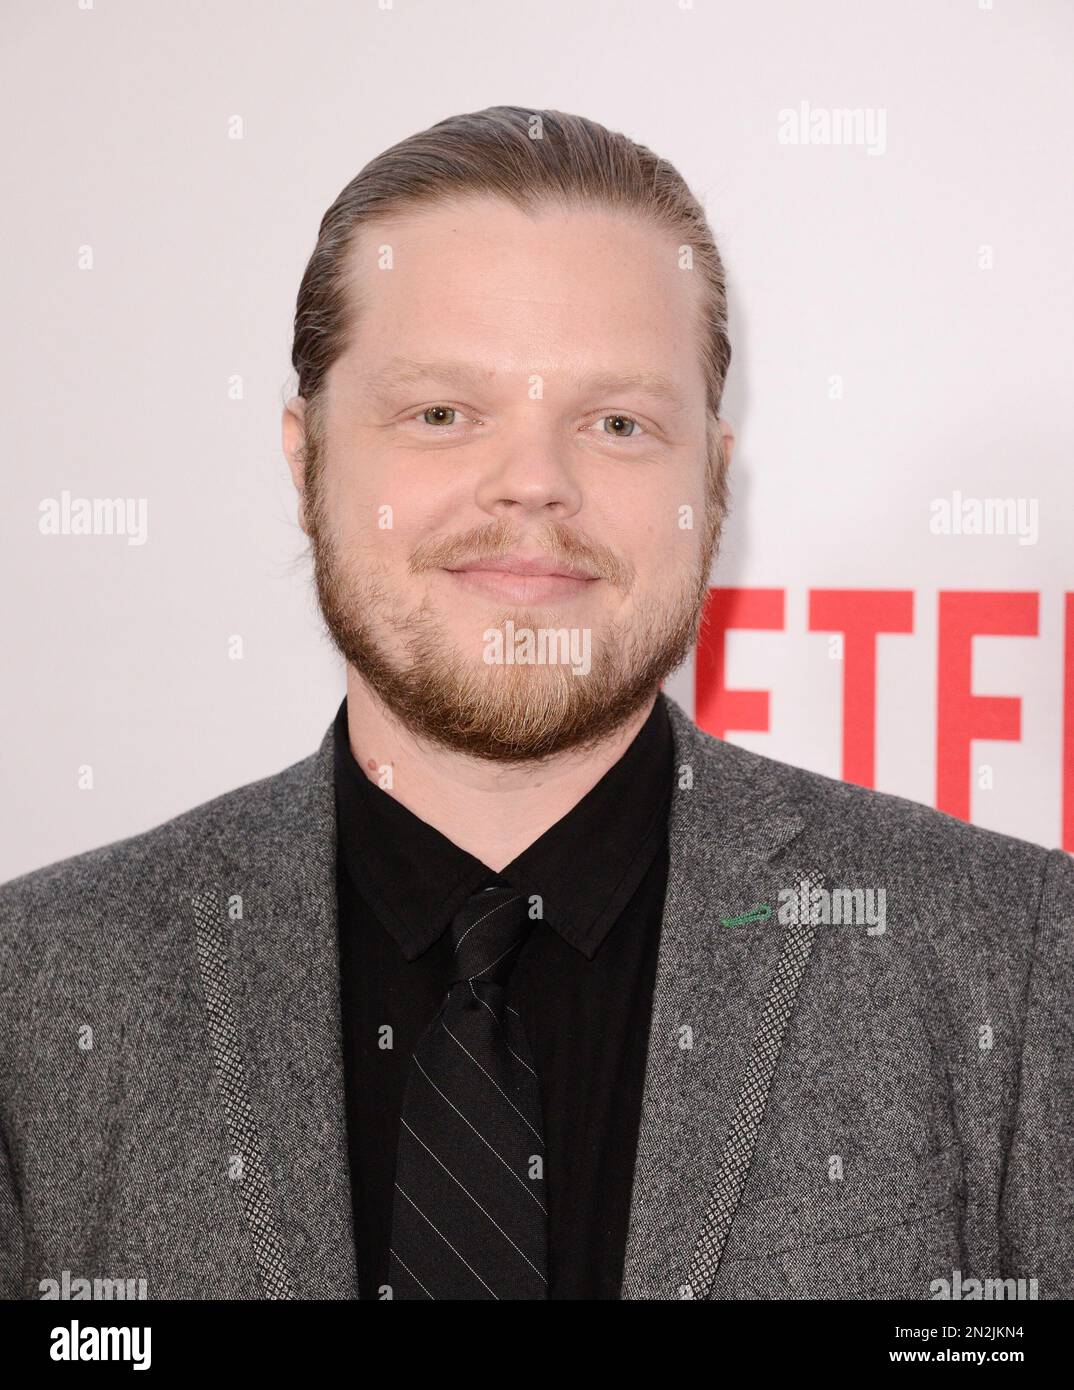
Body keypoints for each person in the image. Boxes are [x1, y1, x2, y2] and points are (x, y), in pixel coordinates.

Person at [1, 107, 1071, 1302]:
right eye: (442, 413)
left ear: (712, 485)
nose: (533, 486)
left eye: (617, 423)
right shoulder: (38, 988)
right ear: (305, 464)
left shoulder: (1019, 966)